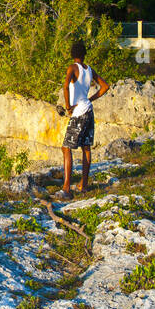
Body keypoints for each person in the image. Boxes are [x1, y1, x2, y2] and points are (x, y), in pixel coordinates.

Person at [59, 40, 109, 198]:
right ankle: (83, 185)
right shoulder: (89, 70)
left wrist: (68, 107)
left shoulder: (73, 68)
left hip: (79, 112)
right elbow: (105, 86)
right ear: (84, 54)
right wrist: (91, 99)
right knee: (86, 147)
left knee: (66, 148)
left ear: (73, 54)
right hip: (89, 110)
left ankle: (66, 189)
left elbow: (66, 86)